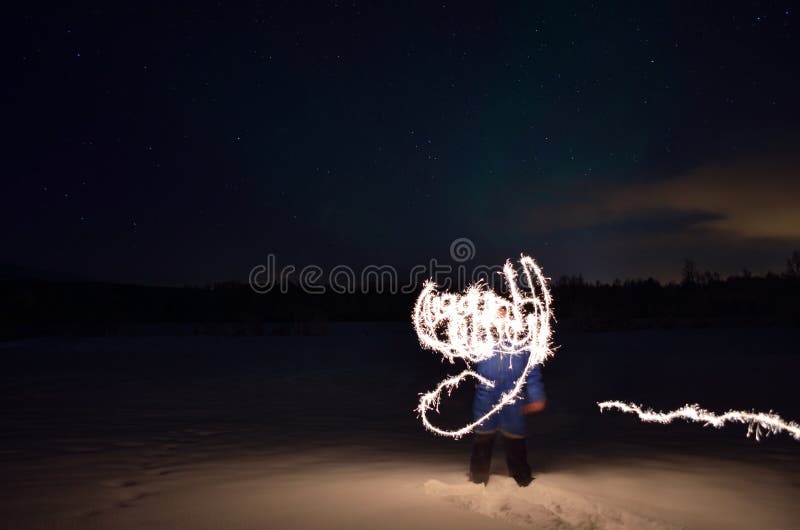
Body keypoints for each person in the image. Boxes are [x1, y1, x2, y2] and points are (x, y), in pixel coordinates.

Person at [469, 309, 546, 487]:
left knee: (515, 442)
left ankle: (522, 480)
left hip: (513, 401)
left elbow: (532, 373)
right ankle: (477, 480)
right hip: (486, 400)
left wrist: (537, 396)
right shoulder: (482, 341)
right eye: (497, 314)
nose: (501, 318)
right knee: (482, 441)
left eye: (504, 314)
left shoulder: (523, 345)